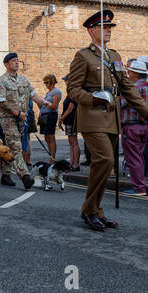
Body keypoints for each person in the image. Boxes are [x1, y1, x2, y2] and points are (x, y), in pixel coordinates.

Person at [67, 9, 148, 231]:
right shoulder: (83, 56)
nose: (109, 31)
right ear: (91, 30)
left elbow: (129, 89)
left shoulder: (115, 57)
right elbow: (73, 89)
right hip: (92, 117)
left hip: (112, 119)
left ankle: (95, 211)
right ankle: (89, 210)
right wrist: (94, 98)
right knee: (105, 160)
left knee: (104, 166)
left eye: (110, 27)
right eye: (104, 27)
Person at [0, 52, 51, 189]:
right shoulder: (2, 81)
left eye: (17, 60)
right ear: (6, 64)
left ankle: (6, 175)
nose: (17, 62)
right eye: (13, 61)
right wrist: (16, 112)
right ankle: (25, 175)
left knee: (11, 146)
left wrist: (45, 103)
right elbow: (1, 102)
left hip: (22, 118)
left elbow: (33, 94)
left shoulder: (24, 80)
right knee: (16, 146)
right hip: (8, 118)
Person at [120, 60, 148, 196]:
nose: (128, 74)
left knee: (133, 158)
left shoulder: (133, 88)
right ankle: (140, 184)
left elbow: (120, 103)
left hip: (131, 126)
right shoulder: (147, 86)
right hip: (144, 125)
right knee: (140, 157)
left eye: (129, 72)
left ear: (135, 74)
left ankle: (139, 188)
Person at [58, 74, 80, 171]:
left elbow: (71, 108)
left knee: (74, 143)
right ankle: (71, 164)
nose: (64, 82)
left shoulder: (72, 92)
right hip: (69, 120)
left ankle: (76, 164)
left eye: (65, 80)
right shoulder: (70, 92)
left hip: (71, 120)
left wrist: (62, 117)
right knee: (71, 143)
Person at [38, 74, 61, 163]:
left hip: (51, 115)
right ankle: (51, 156)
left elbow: (54, 106)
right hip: (44, 115)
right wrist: (39, 102)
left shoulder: (56, 92)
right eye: (44, 83)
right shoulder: (48, 93)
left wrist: (44, 103)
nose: (45, 84)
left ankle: (52, 158)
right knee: (46, 136)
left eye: (46, 82)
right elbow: (43, 107)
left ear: (52, 82)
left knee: (51, 137)